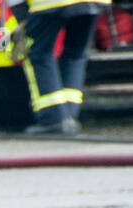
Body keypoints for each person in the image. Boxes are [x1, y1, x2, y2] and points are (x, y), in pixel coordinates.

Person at [8, 0, 108, 135]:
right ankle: (68, 116)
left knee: (39, 55)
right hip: (94, 2)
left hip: (49, 4)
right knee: (75, 54)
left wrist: (21, 14)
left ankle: (53, 119)